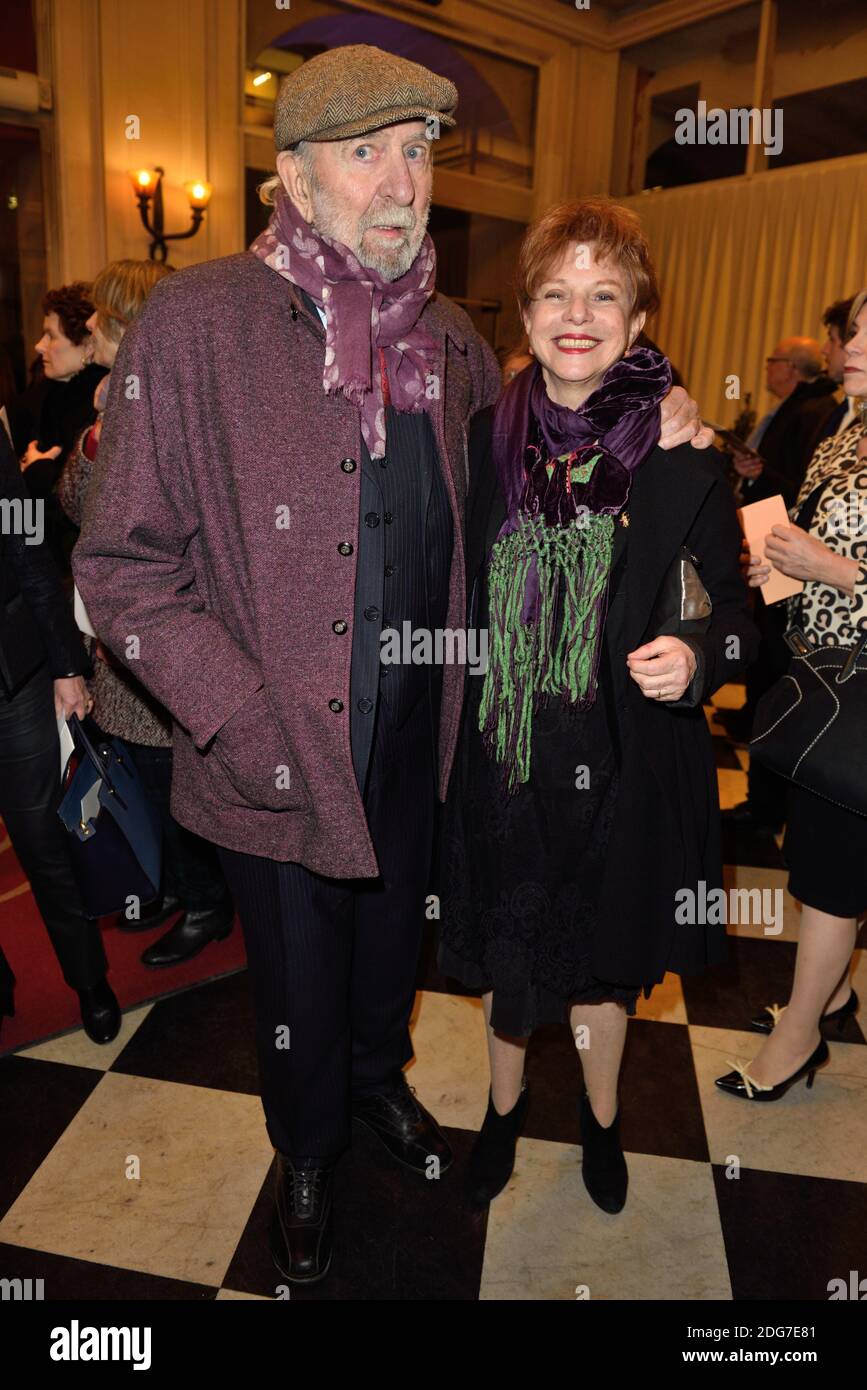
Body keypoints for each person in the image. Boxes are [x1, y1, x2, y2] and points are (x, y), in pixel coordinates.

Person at [72, 45, 713, 1284]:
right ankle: (306, 1152)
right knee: (298, 979)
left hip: (427, 743)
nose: (399, 179)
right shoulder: (198, 322)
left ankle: (375, 1090)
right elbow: (121, 567)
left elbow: (574, 418)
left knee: (388, 961)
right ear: (296, 178)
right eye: (365, 152)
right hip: (275, 749)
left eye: (416, 151)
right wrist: (236, 718)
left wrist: (670, 407)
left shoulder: (458, 343)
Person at [437, 196, 758, 1212]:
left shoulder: (685, 454)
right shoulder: (485, 434)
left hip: (622, 765)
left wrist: (700, 658)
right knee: (509, 952)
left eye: (604, 294)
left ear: (637, 318)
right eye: (556, 293)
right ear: (525, 315)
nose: (578, 313)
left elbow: (751, 618)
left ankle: (603, 1123)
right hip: (505, 759)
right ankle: (501, 1108)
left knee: (605, 968)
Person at [57, 260, 235, 967]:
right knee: (141, 778)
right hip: (118, 637)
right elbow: (74, 506)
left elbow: (137, 520)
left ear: (129, 322)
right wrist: (98, 435)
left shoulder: (175, 399)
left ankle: (208, 907)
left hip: (164, 628)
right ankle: (164, 889)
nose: (88, 327)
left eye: (100, 316)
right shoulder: (114, 397)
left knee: (174, 786)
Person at [717, 288, 867, 1102]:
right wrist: (769, 568)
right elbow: (803, 546)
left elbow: (837, 562)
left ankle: (798, 1037)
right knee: (805, 853)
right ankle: (834, 995)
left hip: (861, 687)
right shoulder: (846, 428)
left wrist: (834, 571)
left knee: (831, 875)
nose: (853, 341)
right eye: (855, 327)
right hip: (817, 678)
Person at [0, 422, 120, 1044]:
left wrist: (67, 663)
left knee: (44, 839)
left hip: (11, 677)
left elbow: (27, 545)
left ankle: (89, 980)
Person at [14, 284, 108, 573]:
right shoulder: (49, 395)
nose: (39, 345)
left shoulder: (100, 403)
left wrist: (40, 476)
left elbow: (96, 507)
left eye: (51, 336)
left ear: (85, 345)